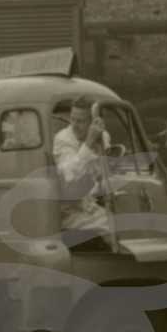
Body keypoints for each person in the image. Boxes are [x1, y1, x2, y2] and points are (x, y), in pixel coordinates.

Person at [51, 98, 114, 250]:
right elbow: (70, 175)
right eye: (72, 119)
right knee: (112, 227)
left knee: (125, 219)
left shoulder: (103, 136)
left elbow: (102, 173)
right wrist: (89, 143)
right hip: (68, 210)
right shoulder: (63, 139)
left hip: (89, 204)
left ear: (93, 122)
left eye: (81, 121)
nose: (74, 125)